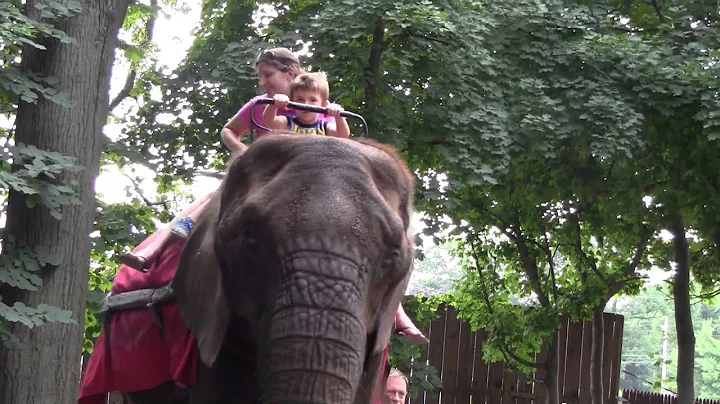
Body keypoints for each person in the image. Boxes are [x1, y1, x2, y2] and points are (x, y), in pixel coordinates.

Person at [120, 46, 427, 345]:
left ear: (291, 72)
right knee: (206, 203)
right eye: (261, 77)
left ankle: (397, 312)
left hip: (322, 185)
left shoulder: (317, 107)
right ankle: (158, 248)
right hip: (264, 181)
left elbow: (341, 139)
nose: (263, 82)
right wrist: (243, 154)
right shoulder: (269, 106)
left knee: (379, 245)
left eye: (267, 75)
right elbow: (235, 131)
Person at [263, 72, 350, 138]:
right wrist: (274, 104)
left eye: (313, 100)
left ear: (323, 105)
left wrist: (339, 117)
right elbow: (269, 120)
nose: (306, 104)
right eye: (300, 100)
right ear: (292, 102)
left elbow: (343, 135)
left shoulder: (324, 127)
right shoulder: (287, 123)